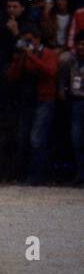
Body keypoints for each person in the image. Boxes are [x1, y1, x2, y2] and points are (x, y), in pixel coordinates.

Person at [7, 28, 59, 185]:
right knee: (24, 138)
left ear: (38, 39)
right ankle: (24, 175)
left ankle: (37, 176)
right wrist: (19, 59)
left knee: (36, 138)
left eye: (30, 40)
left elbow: (50, 72)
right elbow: (11, 76)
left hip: (44, 99)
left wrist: (32, 57)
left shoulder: (49, 54)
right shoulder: (26, 56)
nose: (28, 44)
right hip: (28, 100)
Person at [57, 32, 84, 184]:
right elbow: (62, 79)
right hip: (75, 102)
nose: (82, 47)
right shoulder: (69, 60)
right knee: (76, 139)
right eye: (79, 43)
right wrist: (61, 92)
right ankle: (79, 174)